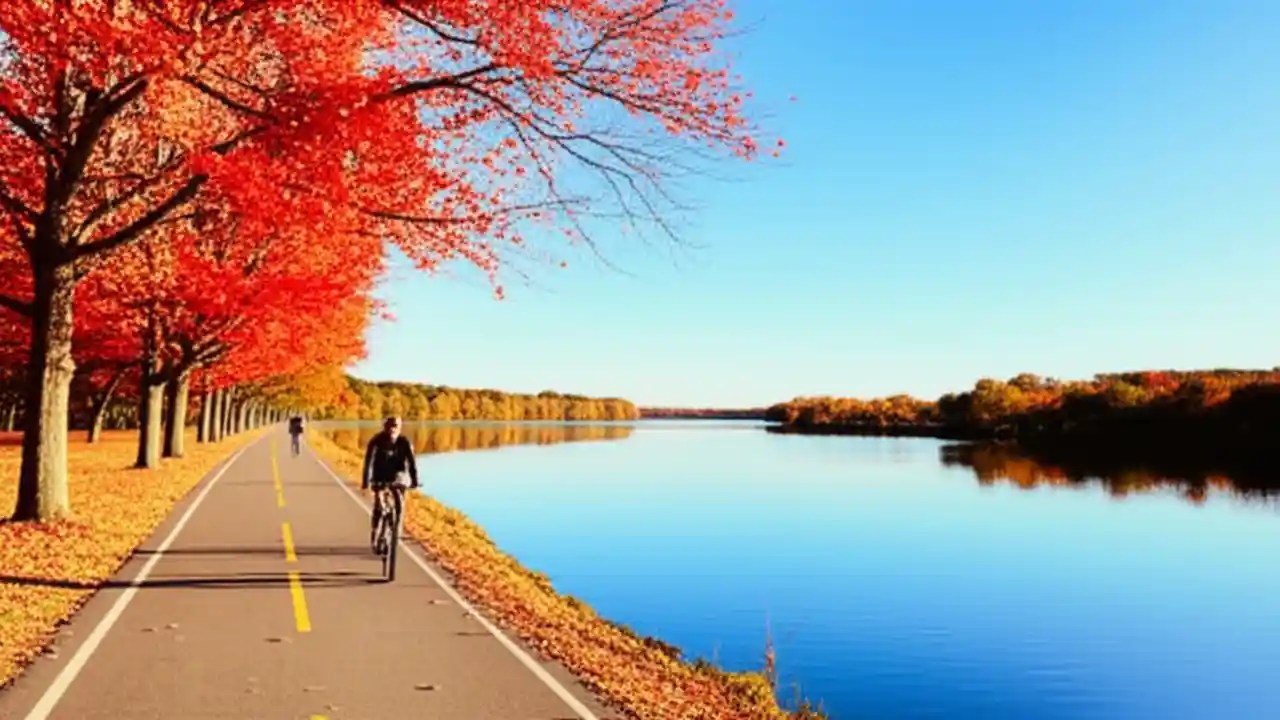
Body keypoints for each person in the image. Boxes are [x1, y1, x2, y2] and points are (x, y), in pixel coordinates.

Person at [361, 416, 419, 554]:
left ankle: (396, 530)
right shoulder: (376, 440)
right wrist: (366, 480)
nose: (392, 429)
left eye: (396, 426)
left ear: (400, 427)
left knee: (400, 501)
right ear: (384, 427)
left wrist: (414, 480)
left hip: (398, 475)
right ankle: (375, 531)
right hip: (379, 474)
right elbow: (368, 461)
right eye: (389, 426)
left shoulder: (405, 442)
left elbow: (412, 463)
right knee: (379, 504)